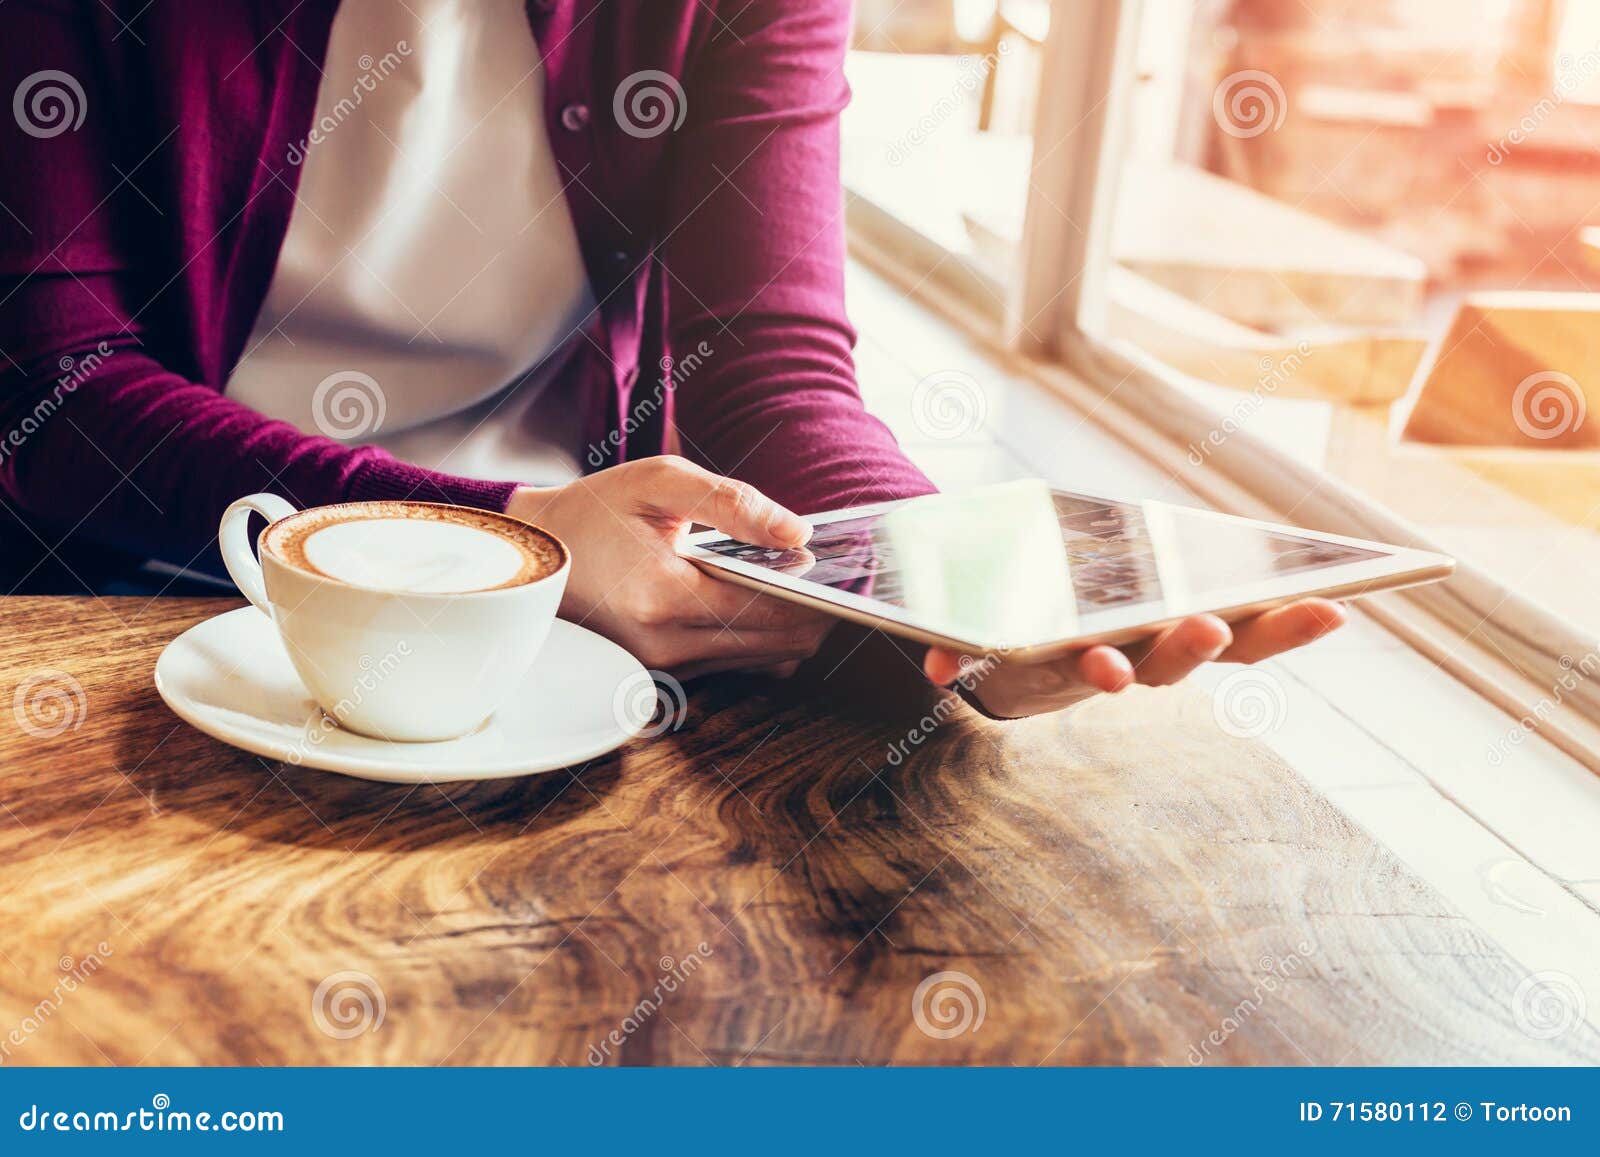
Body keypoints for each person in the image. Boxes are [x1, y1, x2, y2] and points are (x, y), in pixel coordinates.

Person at [0, 0, 1342, 717]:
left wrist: (952, 598)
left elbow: (769, 364)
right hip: (159, 583)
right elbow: (52, 390)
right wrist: (513, 540)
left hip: (587, 620)